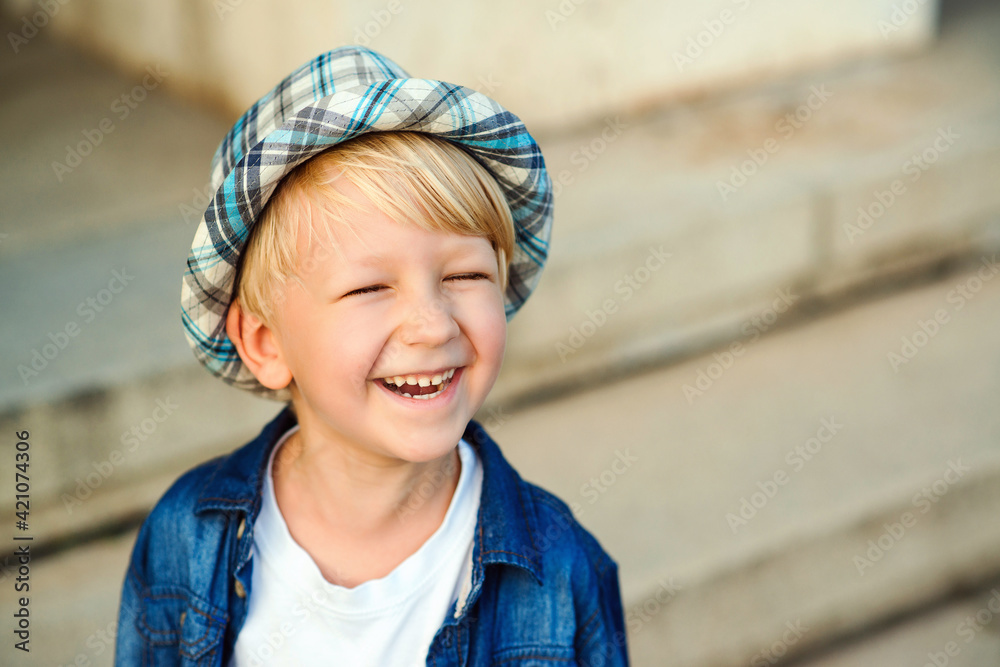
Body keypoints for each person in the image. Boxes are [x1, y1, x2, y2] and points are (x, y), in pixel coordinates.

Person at [115, 46, 628, 666]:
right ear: (266, 344)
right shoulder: (183, 540)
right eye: (369, 287)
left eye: (465, 274)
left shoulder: (562, 568)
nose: (433, 325)